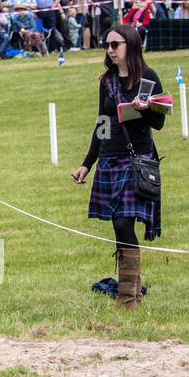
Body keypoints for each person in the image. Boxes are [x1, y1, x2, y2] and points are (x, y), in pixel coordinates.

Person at [71, 23, 165, 311]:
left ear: (131, 46)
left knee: (124, 222)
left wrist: (144, 109)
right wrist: (87, 163)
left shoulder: (147, 78)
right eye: (107, 46)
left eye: (116, 45)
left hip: (137, 159)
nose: (110, 51)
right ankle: (131, 292)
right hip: (110, 160)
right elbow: (102, 123)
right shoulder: (106, 81)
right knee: (118, 225)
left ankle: (128, 298)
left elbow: (158, 124)